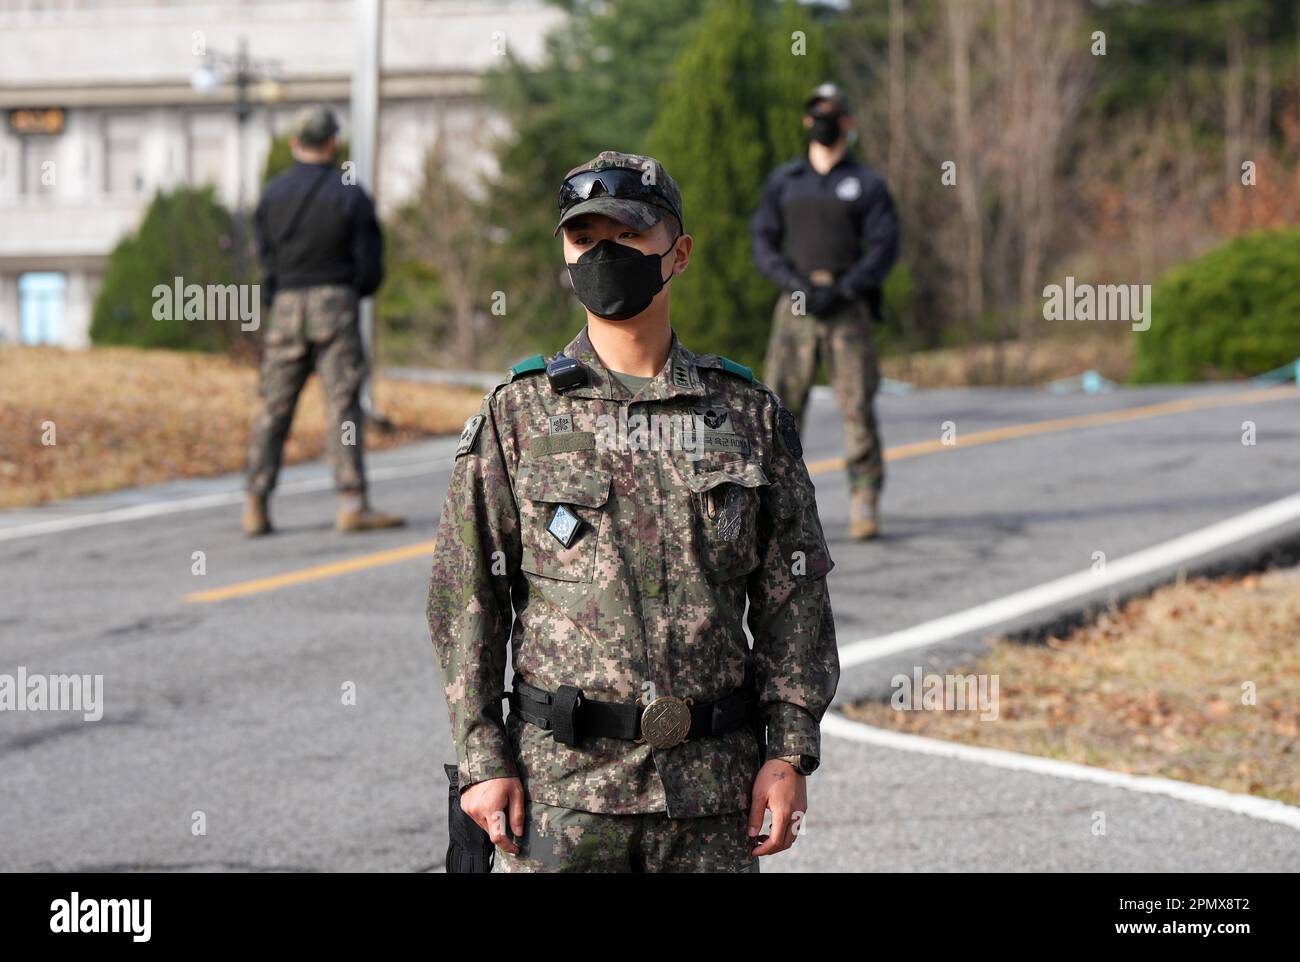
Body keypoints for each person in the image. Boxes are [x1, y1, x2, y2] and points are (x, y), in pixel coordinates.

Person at [426, 151, 840, 873]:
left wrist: (789, 750)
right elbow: (467, 597)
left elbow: (793, 596)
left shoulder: (745, 414)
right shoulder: (518, 415)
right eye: (584, 239)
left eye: (627, 235)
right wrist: (482, 754)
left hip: (711, 794)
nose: (603, 254)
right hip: (563, 795)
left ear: (676, 253)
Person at [242, 105, 403, 535]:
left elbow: (264, 258)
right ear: (332, 142)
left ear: (295, 143)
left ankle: (255, 504)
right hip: (336, 305)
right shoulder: (349, 193)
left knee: (274, 406)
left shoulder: (272, 193)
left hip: (286, 307)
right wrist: (352, 290)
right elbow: (370, 265)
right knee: (342, 407)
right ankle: (352, 503)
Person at [751, 82, 899, 540]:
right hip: (795, 307)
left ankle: (864, 498)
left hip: (847, 308)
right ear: (805, 120)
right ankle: (772, 503)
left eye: (831, 112)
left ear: (848, 121)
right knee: (779, 407)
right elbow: (763, 240)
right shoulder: (786, 181)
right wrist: (794, 283)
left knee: (856, 403)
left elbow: (884, 246)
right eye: (815, 111)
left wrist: (845, 287)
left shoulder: (867, 183)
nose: (822, 119)